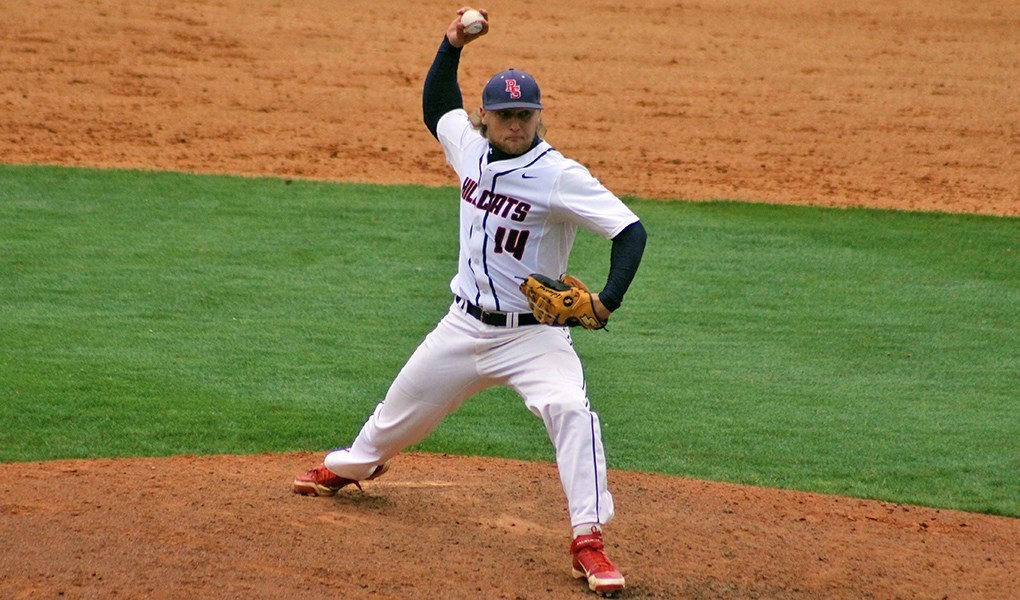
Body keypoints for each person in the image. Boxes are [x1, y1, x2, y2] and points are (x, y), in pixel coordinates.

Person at [293, 7, 647, 596]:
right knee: (394, 414)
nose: (515, 124)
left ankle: (589, 540)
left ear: (538, 116)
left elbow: (630, 232)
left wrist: (605, 302)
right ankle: (351, 468)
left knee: (572, 413)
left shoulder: (559, 175)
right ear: (486, 116)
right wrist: (451, 43)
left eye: (525, 115)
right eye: (505, 115)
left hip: (533, 335)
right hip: (463, 327)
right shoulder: (469, 145)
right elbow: (437, 108)